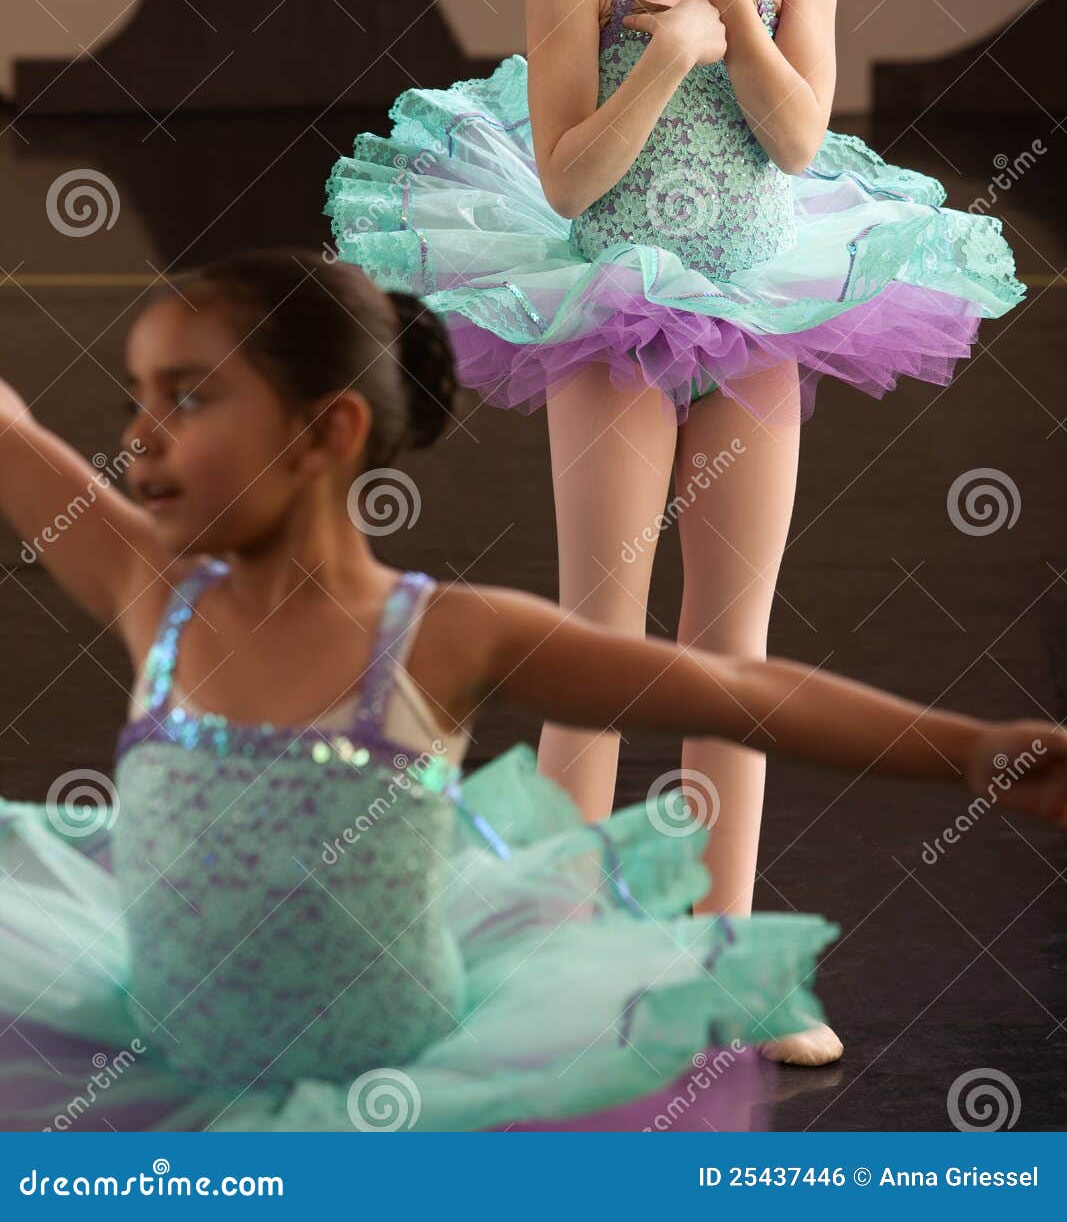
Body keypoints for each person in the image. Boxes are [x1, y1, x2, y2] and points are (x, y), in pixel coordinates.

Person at [323, 0, 1026, 1065]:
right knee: (603, 639)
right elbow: (571, 178)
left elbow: (793, 134)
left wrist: (729, 2)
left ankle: (727, 958)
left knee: (730, 650)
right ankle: (554, 960)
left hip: (759, 306)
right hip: (610, 311)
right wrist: (662, 53)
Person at [0, 249, 1058, 1134]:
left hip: (400, 1104)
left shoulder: (447, 637)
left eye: (187, 398)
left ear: (328, 433)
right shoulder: (152, 593)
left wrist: (966, 749)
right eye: (135, 398)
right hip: (174, 1075)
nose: (137, 437)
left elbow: (737, 691)